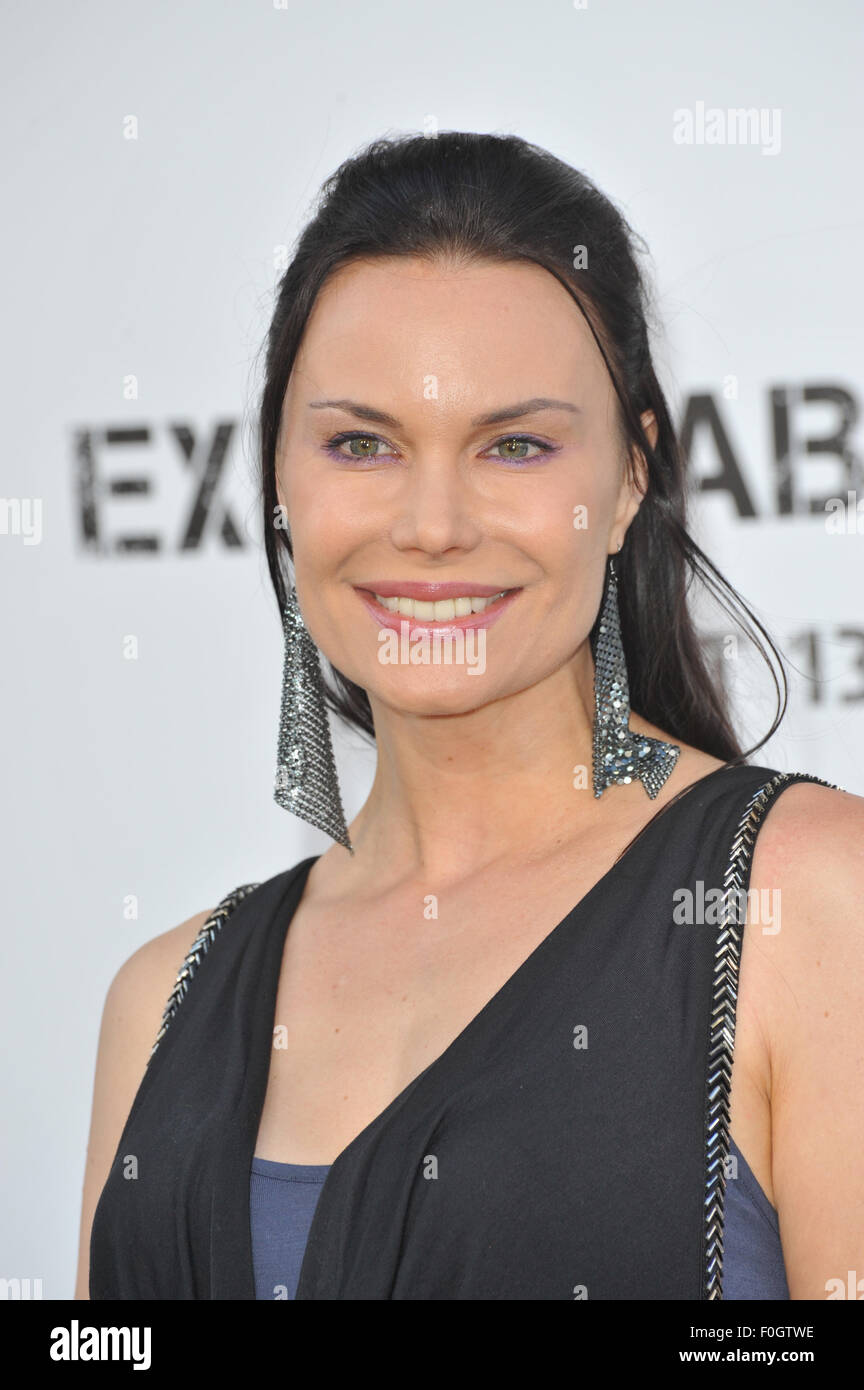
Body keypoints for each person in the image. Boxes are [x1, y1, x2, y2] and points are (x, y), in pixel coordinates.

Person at [76, 131, 863, 1301]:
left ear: (631, 478)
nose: (433, 521)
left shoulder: (805, 906)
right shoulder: (163, 999)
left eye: (515, 445)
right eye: (361, 443)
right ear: (282, 482)